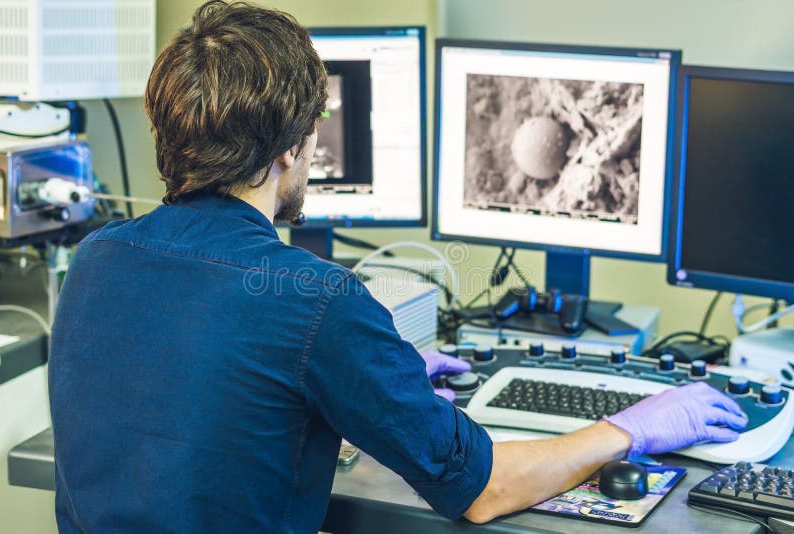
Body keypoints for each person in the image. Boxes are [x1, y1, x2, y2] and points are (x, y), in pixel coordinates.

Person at [48, 1, 747, 532]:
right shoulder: (315, 298)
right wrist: (638, 426)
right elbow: (484, 489)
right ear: (291, 148)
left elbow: (212, 406)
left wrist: (369, 386)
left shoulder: (95, 259)